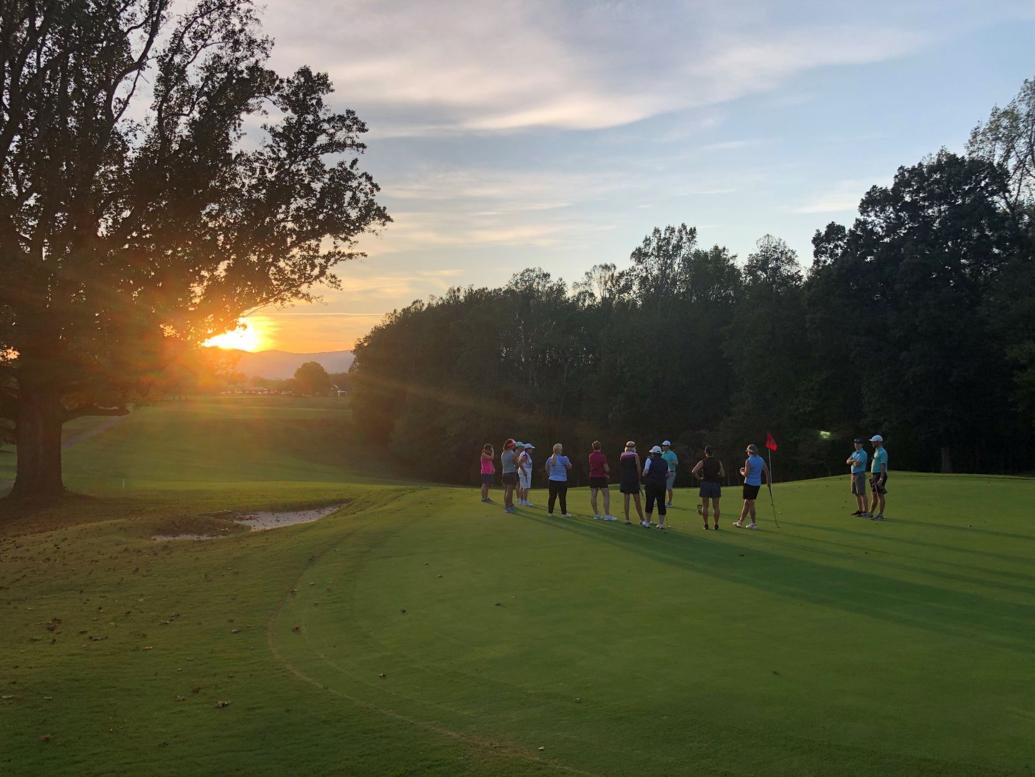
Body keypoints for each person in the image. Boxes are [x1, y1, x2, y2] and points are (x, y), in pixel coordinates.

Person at [734, 443, 769, 529]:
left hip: (749, 484)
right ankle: (740, 522)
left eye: (747, 452)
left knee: (751, 503)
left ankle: (753, 523)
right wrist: (768, 482)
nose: (747, 453)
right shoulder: (761, 459)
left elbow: (746, 474)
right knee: (747, 502)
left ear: (750, 452)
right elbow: (766, 470)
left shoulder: (748, 461)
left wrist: (741, 471)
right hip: (757, 484)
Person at [691, 446, 725, 530]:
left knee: (705, 506)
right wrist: (717, 475)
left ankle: (706, 524)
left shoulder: (703, 461)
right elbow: (723, 474)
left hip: (705, 484)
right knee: (716, 506)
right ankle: (716, 524)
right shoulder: (718, 461)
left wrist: (699, 478)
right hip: (715, 484)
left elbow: (694, 471)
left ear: (705, 453)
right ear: (713, 453)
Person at [618, 441, 645, 525]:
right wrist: (639, 478)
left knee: (626, 499)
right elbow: (638, 468)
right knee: (637, 499)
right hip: (633, 478)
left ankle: (627, 519)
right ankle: (642, 519)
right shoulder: (635, 455)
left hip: (625, 479)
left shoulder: (622, 455)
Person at [642, 445, 669, 529]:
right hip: (661, 484)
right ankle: (661, 524)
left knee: (649, 502)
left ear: (653, 453)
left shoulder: (649, 460)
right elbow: (668, 474)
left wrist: (643, 475)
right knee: (661, 503)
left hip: (651, 484)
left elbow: (645, 472)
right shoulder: (664, 462)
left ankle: (647, 522)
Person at [587, 441, 615, 521]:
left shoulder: (590, 456)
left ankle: (596, 514)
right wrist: (607, 472)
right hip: (601, 478)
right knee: (606, 495)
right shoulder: (602, 456)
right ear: (600, 447)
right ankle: (607, 515)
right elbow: (606, 469)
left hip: (593, 477)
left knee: (593, 496)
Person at [545, 443, 572, 516]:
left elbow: (547, 468)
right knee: (562, 497)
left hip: (552, 480)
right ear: (560, 450)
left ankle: (550, 512)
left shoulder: (549, 459)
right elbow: (569, 467)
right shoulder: (564, 458)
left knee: (552, 497)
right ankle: (564, 513)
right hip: (562, 481)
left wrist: (550, 475)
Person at [846, 438, 868, 516]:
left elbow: (857, 464)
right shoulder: (854, 453)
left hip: (860, 474)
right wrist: (853, 461)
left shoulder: (863, 453)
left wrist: (852, 461)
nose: (856, 445)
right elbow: (847, 461)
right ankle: (860, 510)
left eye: (858, 443)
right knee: (855, 493)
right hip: (853, 474)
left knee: (862, 493)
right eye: (855, 443)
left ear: (862, 445)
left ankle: (865, 511)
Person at [868, 434, 889, 520]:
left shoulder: (882, 452)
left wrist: (881, 478)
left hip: (879, 475)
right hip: (874, 475)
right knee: (874, 495)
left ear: (878, 442)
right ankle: (870, 513)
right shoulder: (877, 450)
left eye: (873, 441)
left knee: (880, 495)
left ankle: (880, 515)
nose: (872, 443)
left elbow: (883, 465)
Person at [500, 439, 519, 514]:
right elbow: (516, 464)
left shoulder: (503, 453)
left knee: (506, 490)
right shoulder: (512, 453)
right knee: (510, 491)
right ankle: (507, 507)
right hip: (510, 473)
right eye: (513, 445)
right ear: (511, 446)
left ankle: (509, 505)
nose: (514, 446)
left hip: (504, 473)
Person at [661, 440, 678, 508]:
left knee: (668, 488)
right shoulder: (662, 454)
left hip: (671, 473)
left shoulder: (672, 454)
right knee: (662, 488)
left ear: (668, 446)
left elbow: (676, 463)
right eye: (663, 446)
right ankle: (661, 502)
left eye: (664, 446)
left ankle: (669, 502)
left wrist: (672, 462)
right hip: (663, 473)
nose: (663, 447)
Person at [517, 442, 535, 506]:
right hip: (525, 472)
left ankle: (522, 501)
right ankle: (525, 501)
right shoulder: (525, 455)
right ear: (527, 449)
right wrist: (524, 471)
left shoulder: (524, 454)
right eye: (531, 449)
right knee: (526, 487)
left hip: (524, 472)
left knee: (522, 487)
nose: (532, 450)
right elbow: (519, 463)